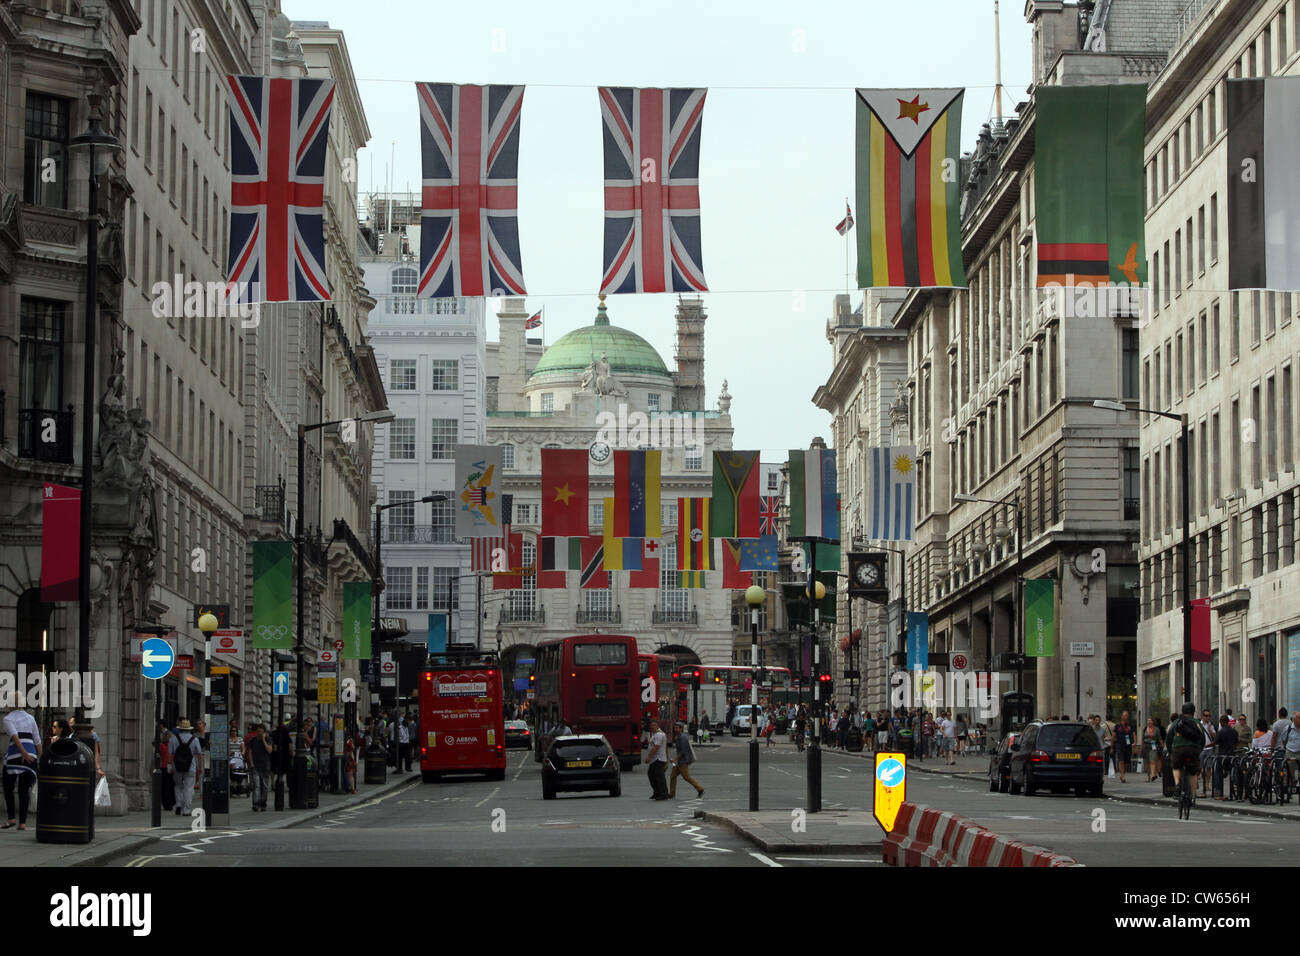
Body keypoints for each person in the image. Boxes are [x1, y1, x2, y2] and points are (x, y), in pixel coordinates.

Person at [3, 705, 40, 830]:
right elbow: (37, 739)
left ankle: (11, 818)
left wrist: (23, 752)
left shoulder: (8, 718)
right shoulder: (30, 718)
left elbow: (14, 736)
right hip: (31, 755)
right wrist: (40, 758)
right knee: (24, 790)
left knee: (8, 787)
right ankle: (22, 823)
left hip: (15, 755)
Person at [170, 719, 203, 816]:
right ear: (189, 729)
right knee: (188, 788)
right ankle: (187, 810)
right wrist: (199, 767)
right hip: (191, 767)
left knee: (178, 786)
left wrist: (170, 765)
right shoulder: (195, 739)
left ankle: (179, 804)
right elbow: (199, 754)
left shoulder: (173, 739)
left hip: (177, 767)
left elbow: (170, 754)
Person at [669, 721, 705, 799]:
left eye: (677, 728)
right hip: (680, 761)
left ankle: (700, 789)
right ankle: (672, 793)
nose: (675, 729)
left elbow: (683, 751)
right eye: (674, 728)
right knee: (673, 775)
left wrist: (675, 759)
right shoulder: (679, 736)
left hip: (683, 761)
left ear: (681, 729)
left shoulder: (682, 737)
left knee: (686, 776)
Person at [248, 723, 273, 811]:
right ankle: (255, 804)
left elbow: (269, 750)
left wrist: (263, 740)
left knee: (264, 786)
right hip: (255, 766)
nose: (259, 733)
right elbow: (250, 752)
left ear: (264, 732)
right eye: (258, 731)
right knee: (256, 786)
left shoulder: (268, 739)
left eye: (261, 732)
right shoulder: (253, 740)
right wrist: (251, 763)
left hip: (265, 766)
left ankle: (263, 803)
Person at [645, 720, 670, 800]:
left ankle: (663, 794)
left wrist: (649, 757)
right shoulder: (655, 734)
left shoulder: (659, 735)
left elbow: (656, 747)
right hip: (655, 759)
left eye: (654, 725)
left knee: (659, 777)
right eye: (651, 725)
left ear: (657, 726)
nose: (652, 727)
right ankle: (657, 792)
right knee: (652, 775)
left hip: (658, 759)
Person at [1112, 711, 1135, 783]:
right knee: (1121, 759)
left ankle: (1123, 773)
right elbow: (1113, 736)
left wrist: (1135, 742)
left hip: (1128, 746)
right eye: (1124, 716)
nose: (1126, 717)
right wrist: (1112, 747)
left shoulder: (1130, 725)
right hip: (1120, 745)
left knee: (1126, 761)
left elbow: (1134, 734)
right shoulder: (1117, 726)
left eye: (1127, 716)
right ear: (1121, 716)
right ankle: (1122, 775)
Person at [1142, 717, 1163, 782]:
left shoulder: (1156, 729)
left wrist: (1162, 746)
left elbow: (1159, 738)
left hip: (1153, 746)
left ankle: (1153, 775)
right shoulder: (1145, 728)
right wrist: (1142, 746)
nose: (1149, 722)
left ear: (1153, 722)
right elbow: (1142, 738)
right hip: (1146, 746)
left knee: (1152, 760)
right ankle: (1148, 777)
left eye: (1150, 721)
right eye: (1148, 721)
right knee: (1147, 762)